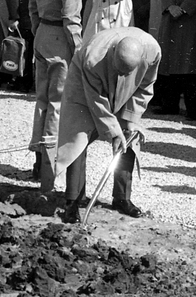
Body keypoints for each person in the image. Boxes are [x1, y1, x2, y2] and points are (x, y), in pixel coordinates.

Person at [55, 26, 161, 223]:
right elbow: (96, 100)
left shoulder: (153, 52)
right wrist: (113, 131)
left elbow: (146, 85)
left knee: (130, 137)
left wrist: (131, 118)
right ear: (113, 54)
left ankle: (122, 198)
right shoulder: (93, 57)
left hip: (128, 91)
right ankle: (73, 201)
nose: (122, 75)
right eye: (120, 70)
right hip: (84, 88)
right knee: (78, 138)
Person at [28, 0, 82, 192]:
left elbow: (32, 7)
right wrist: (78, 49)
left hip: (43, 32)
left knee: (42, 101)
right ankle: (50, 166)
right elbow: (70, 16)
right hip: (61, 37)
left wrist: (39, 29)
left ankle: (39, 160)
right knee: (57, 104)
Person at [154, 0, 196, 121]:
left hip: (191, 18)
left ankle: (192, 109)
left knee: (189, 61)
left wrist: (185, 8)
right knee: (170, 61)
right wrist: (169, 6)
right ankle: (169, 105)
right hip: (170, 17)